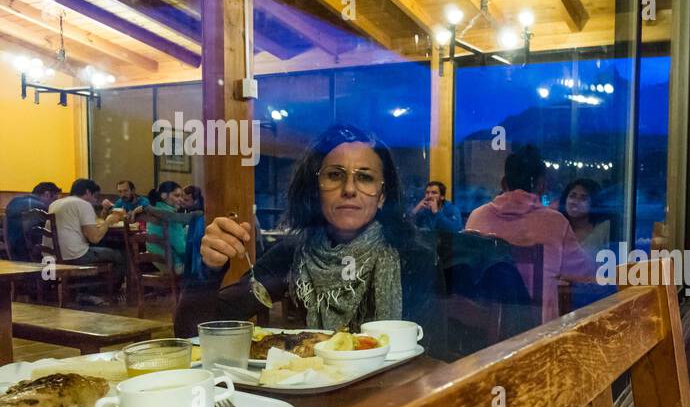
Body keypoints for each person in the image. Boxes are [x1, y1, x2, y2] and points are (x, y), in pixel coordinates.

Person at [180, 123, 446, 356]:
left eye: (365, 177)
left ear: (383, 196)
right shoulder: (294, 253)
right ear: (315, 190)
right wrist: (208, 269)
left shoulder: (414, 257)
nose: (349, 189)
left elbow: (432, 357)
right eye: (335, 175)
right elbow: (194, 331)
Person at [464, 146, 595, 322]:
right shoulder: (555, 223)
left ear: (504, 183)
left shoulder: (477, 217)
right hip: (535, 334)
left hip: (481, 334)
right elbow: (587, 273)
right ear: (541, 184)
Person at [44, 178, 126, 298]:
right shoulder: (83, 204)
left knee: (101, 251)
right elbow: (94, 238)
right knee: (120, 255)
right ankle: (101, 293)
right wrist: (108, 222)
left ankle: (82, 290)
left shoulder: (55, 203)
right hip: (74, 255)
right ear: (87, 192)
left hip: (52, 255)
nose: (94, 200)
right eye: (95, 196)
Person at [4, 182, 59, 262]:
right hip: (33, 258)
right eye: (54, 199)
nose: (53, 204)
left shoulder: (13, 201)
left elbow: (5, 225)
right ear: (47, 194)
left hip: (14, 254)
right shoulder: (40, 208)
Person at [145, 181, 193, 274]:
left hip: (159, 263)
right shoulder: (170, 217)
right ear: (163, 195)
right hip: (174, 266)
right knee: (213, 264)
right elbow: (182, 250)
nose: (181, 200)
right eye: (177, 196)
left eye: (182, 196)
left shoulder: (155, 210)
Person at [559, 178, 611, 257]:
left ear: (593, 203)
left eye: (583, 198)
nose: (575, 202)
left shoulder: (603, 229)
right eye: (572, 196)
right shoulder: (557, 228)